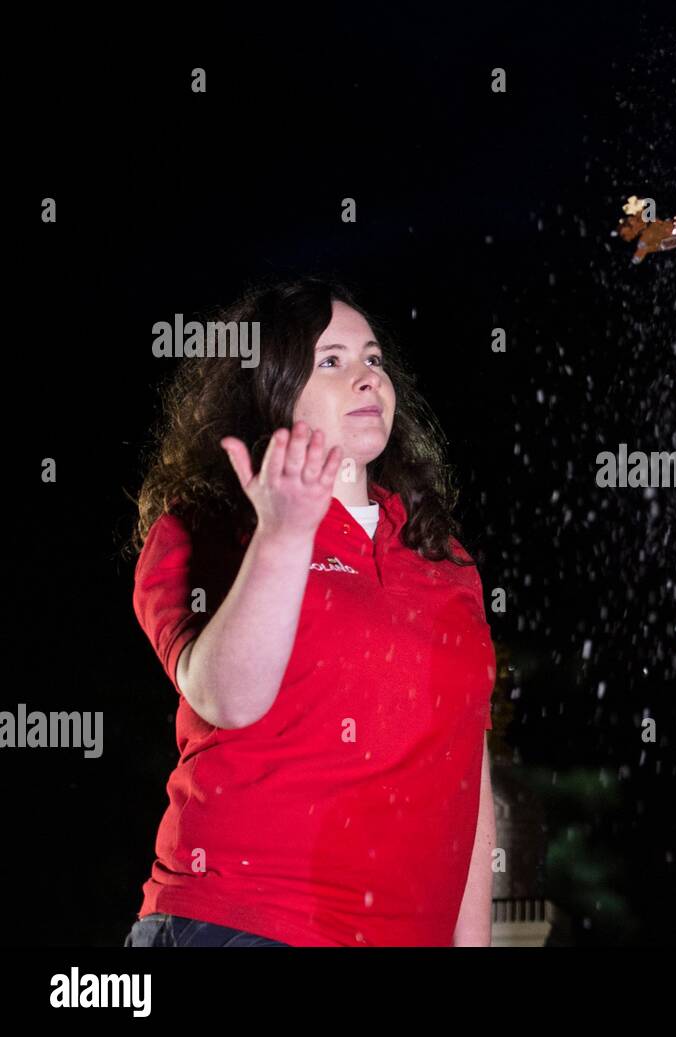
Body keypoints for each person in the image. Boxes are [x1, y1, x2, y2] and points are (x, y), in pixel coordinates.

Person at [123, 277, 496, 947]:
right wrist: (285, 535)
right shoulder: (203, 529)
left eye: (374, 359)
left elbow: (467, 760)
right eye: (332, 360)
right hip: (246, 920)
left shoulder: (445, 560)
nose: (367, 377)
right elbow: (226, 695)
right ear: (271, 386)